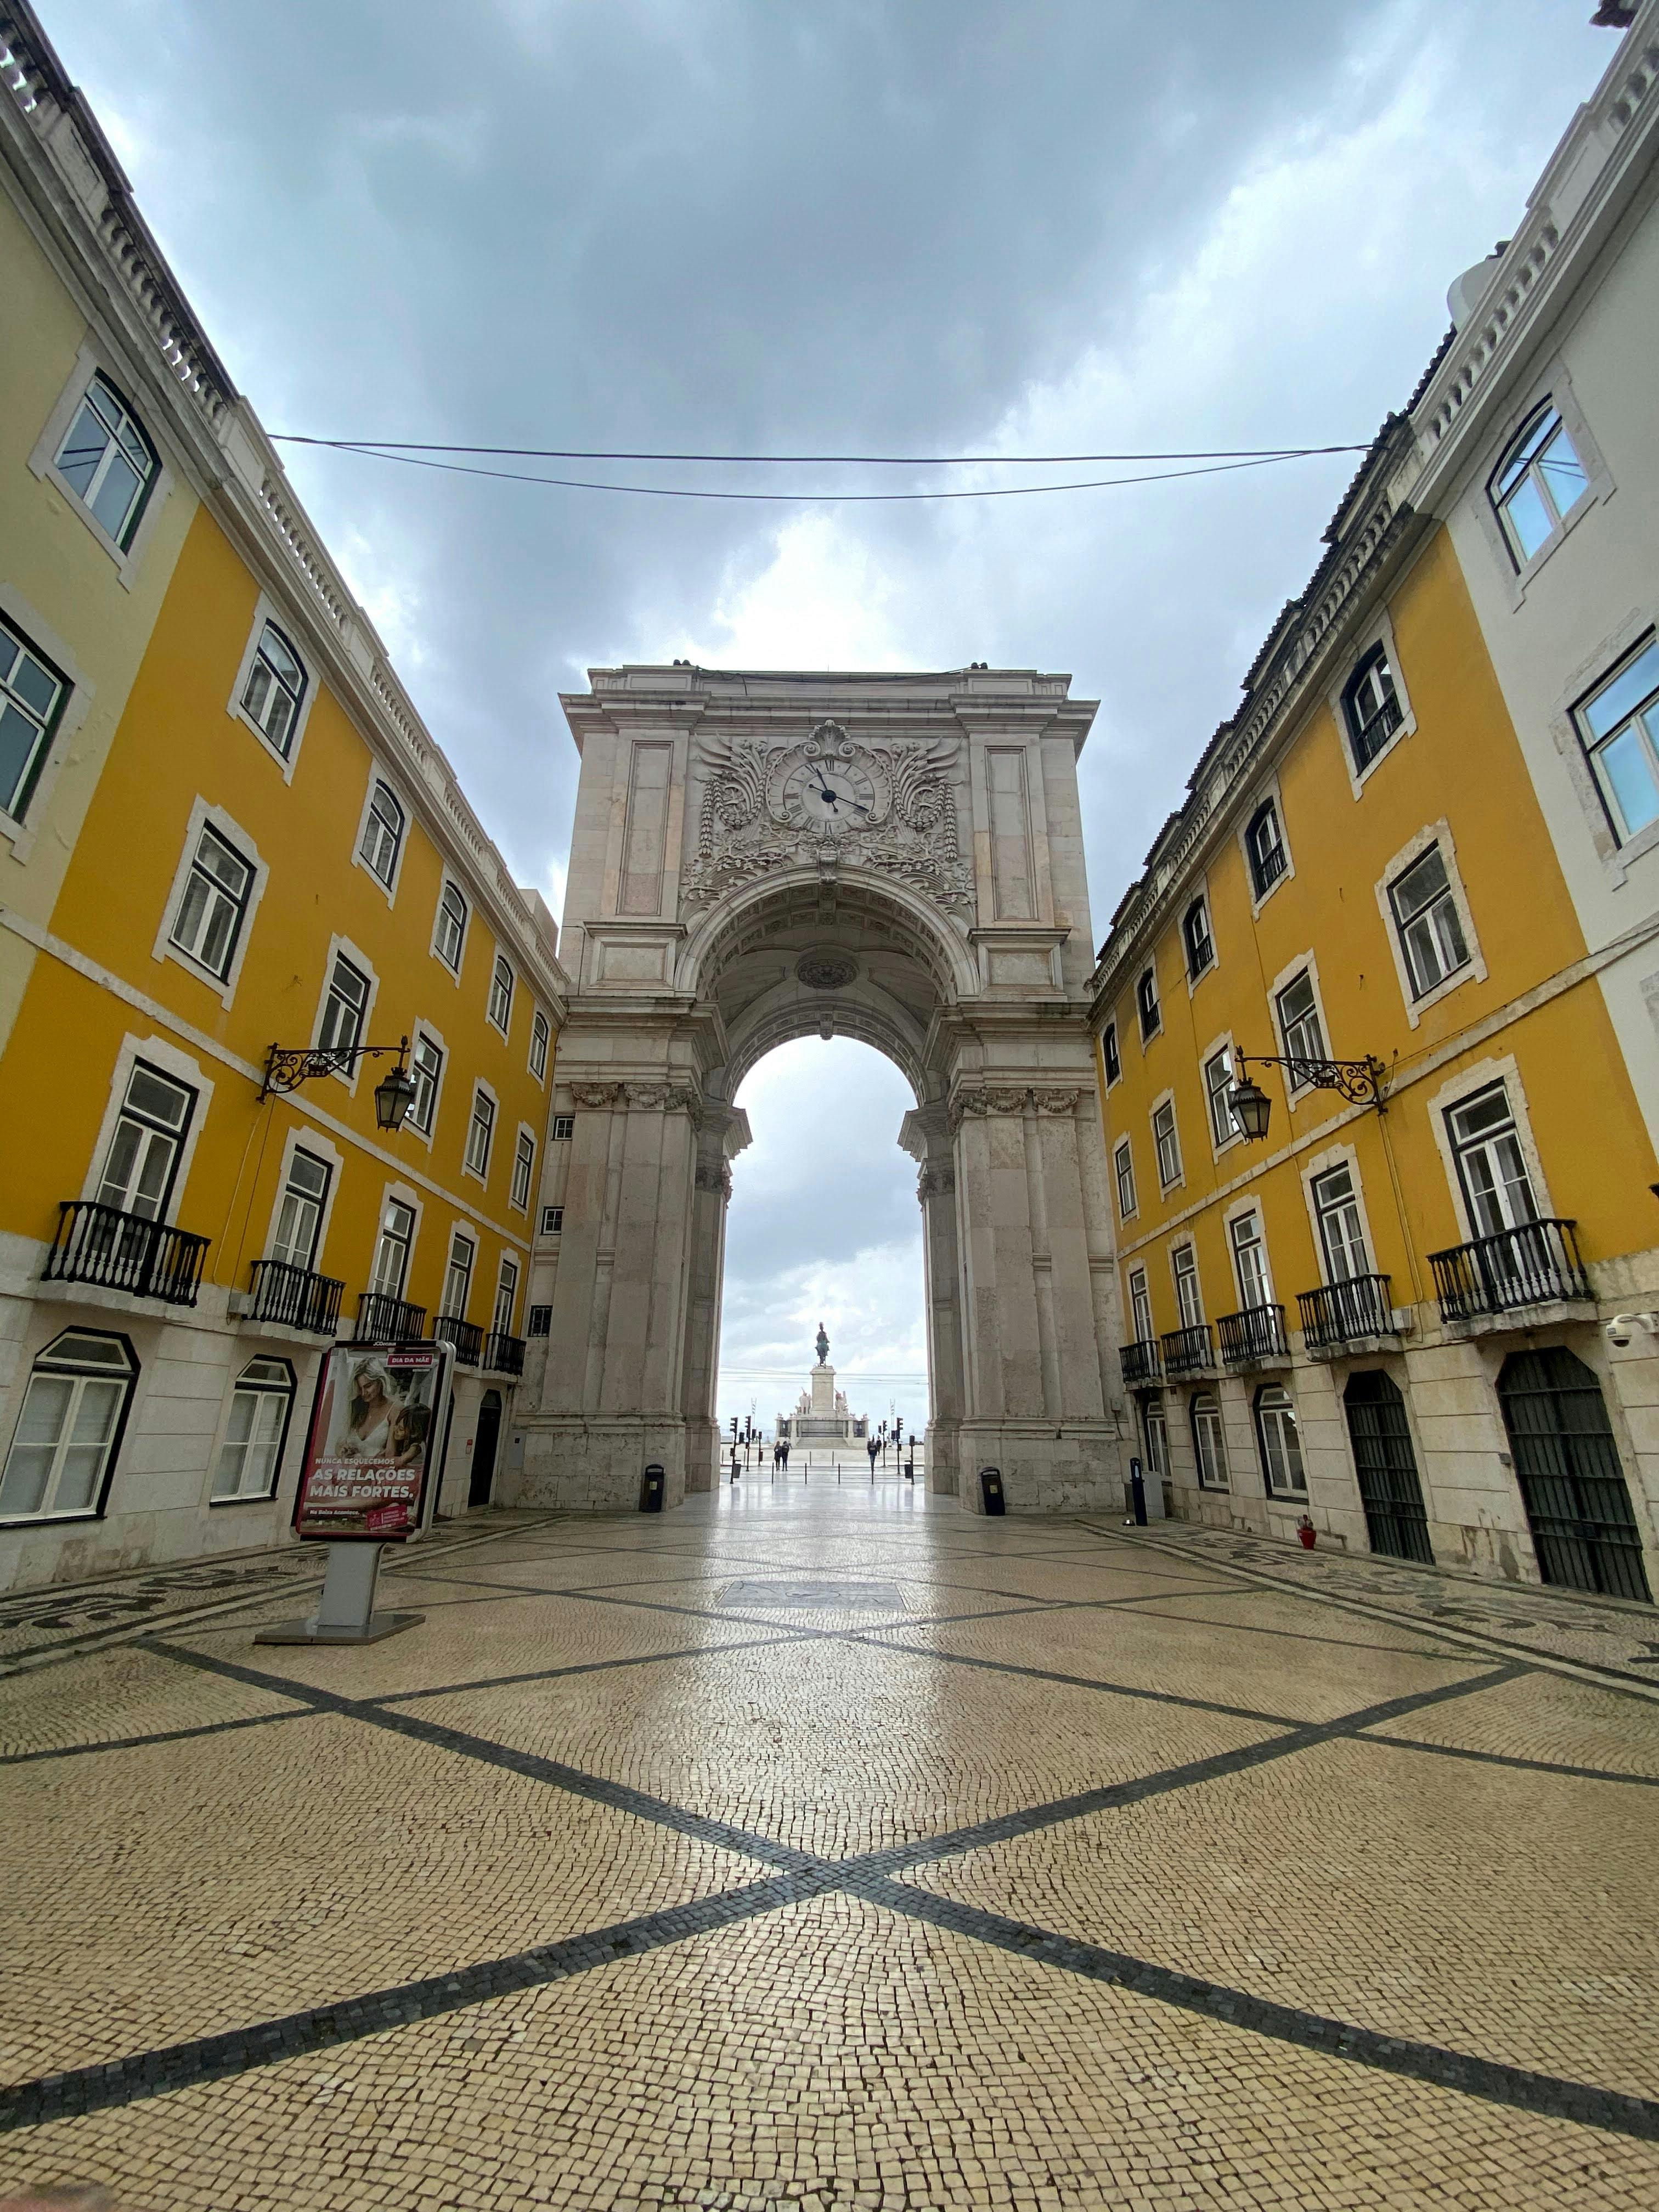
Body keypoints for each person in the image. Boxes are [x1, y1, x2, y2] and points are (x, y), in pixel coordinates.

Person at [337, 1358, 399, 1460]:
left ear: (380, 1381)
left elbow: (390, 1456)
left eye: (368, 1386)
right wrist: (343, 1452)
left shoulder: (395, 1409)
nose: (363, 1393)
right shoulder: (356, 1406)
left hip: (377, 1474)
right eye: (360, 1388)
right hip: (348, 1472)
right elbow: (339, 1445)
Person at [387, 1402, 431, 1468]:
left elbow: (399, 1462)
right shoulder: (406, 1444)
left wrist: (379, 1461)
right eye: (397, 1424)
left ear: (414, 1433)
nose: (395, 1430)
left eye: (401, 1429)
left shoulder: (416, 1448)